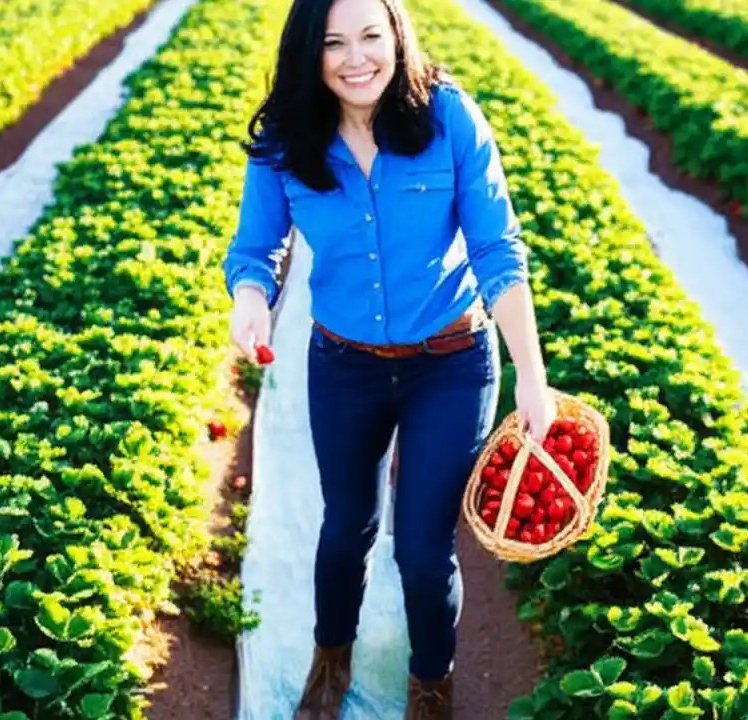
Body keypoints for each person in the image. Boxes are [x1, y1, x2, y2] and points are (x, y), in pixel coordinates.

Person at [221, 0, 556, 717]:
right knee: (346, 528)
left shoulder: (448, 119)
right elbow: (257, 249)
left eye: (371, 36)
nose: (356, 58)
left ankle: (432, 681)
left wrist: (532, 375)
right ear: (309, 51)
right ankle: (329, 659)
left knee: (424, 550)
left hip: (452, 359)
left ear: (397, 36)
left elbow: (497, 250)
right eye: (334, 43)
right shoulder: (288, 140)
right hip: (345, 363)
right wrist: (250, 300)